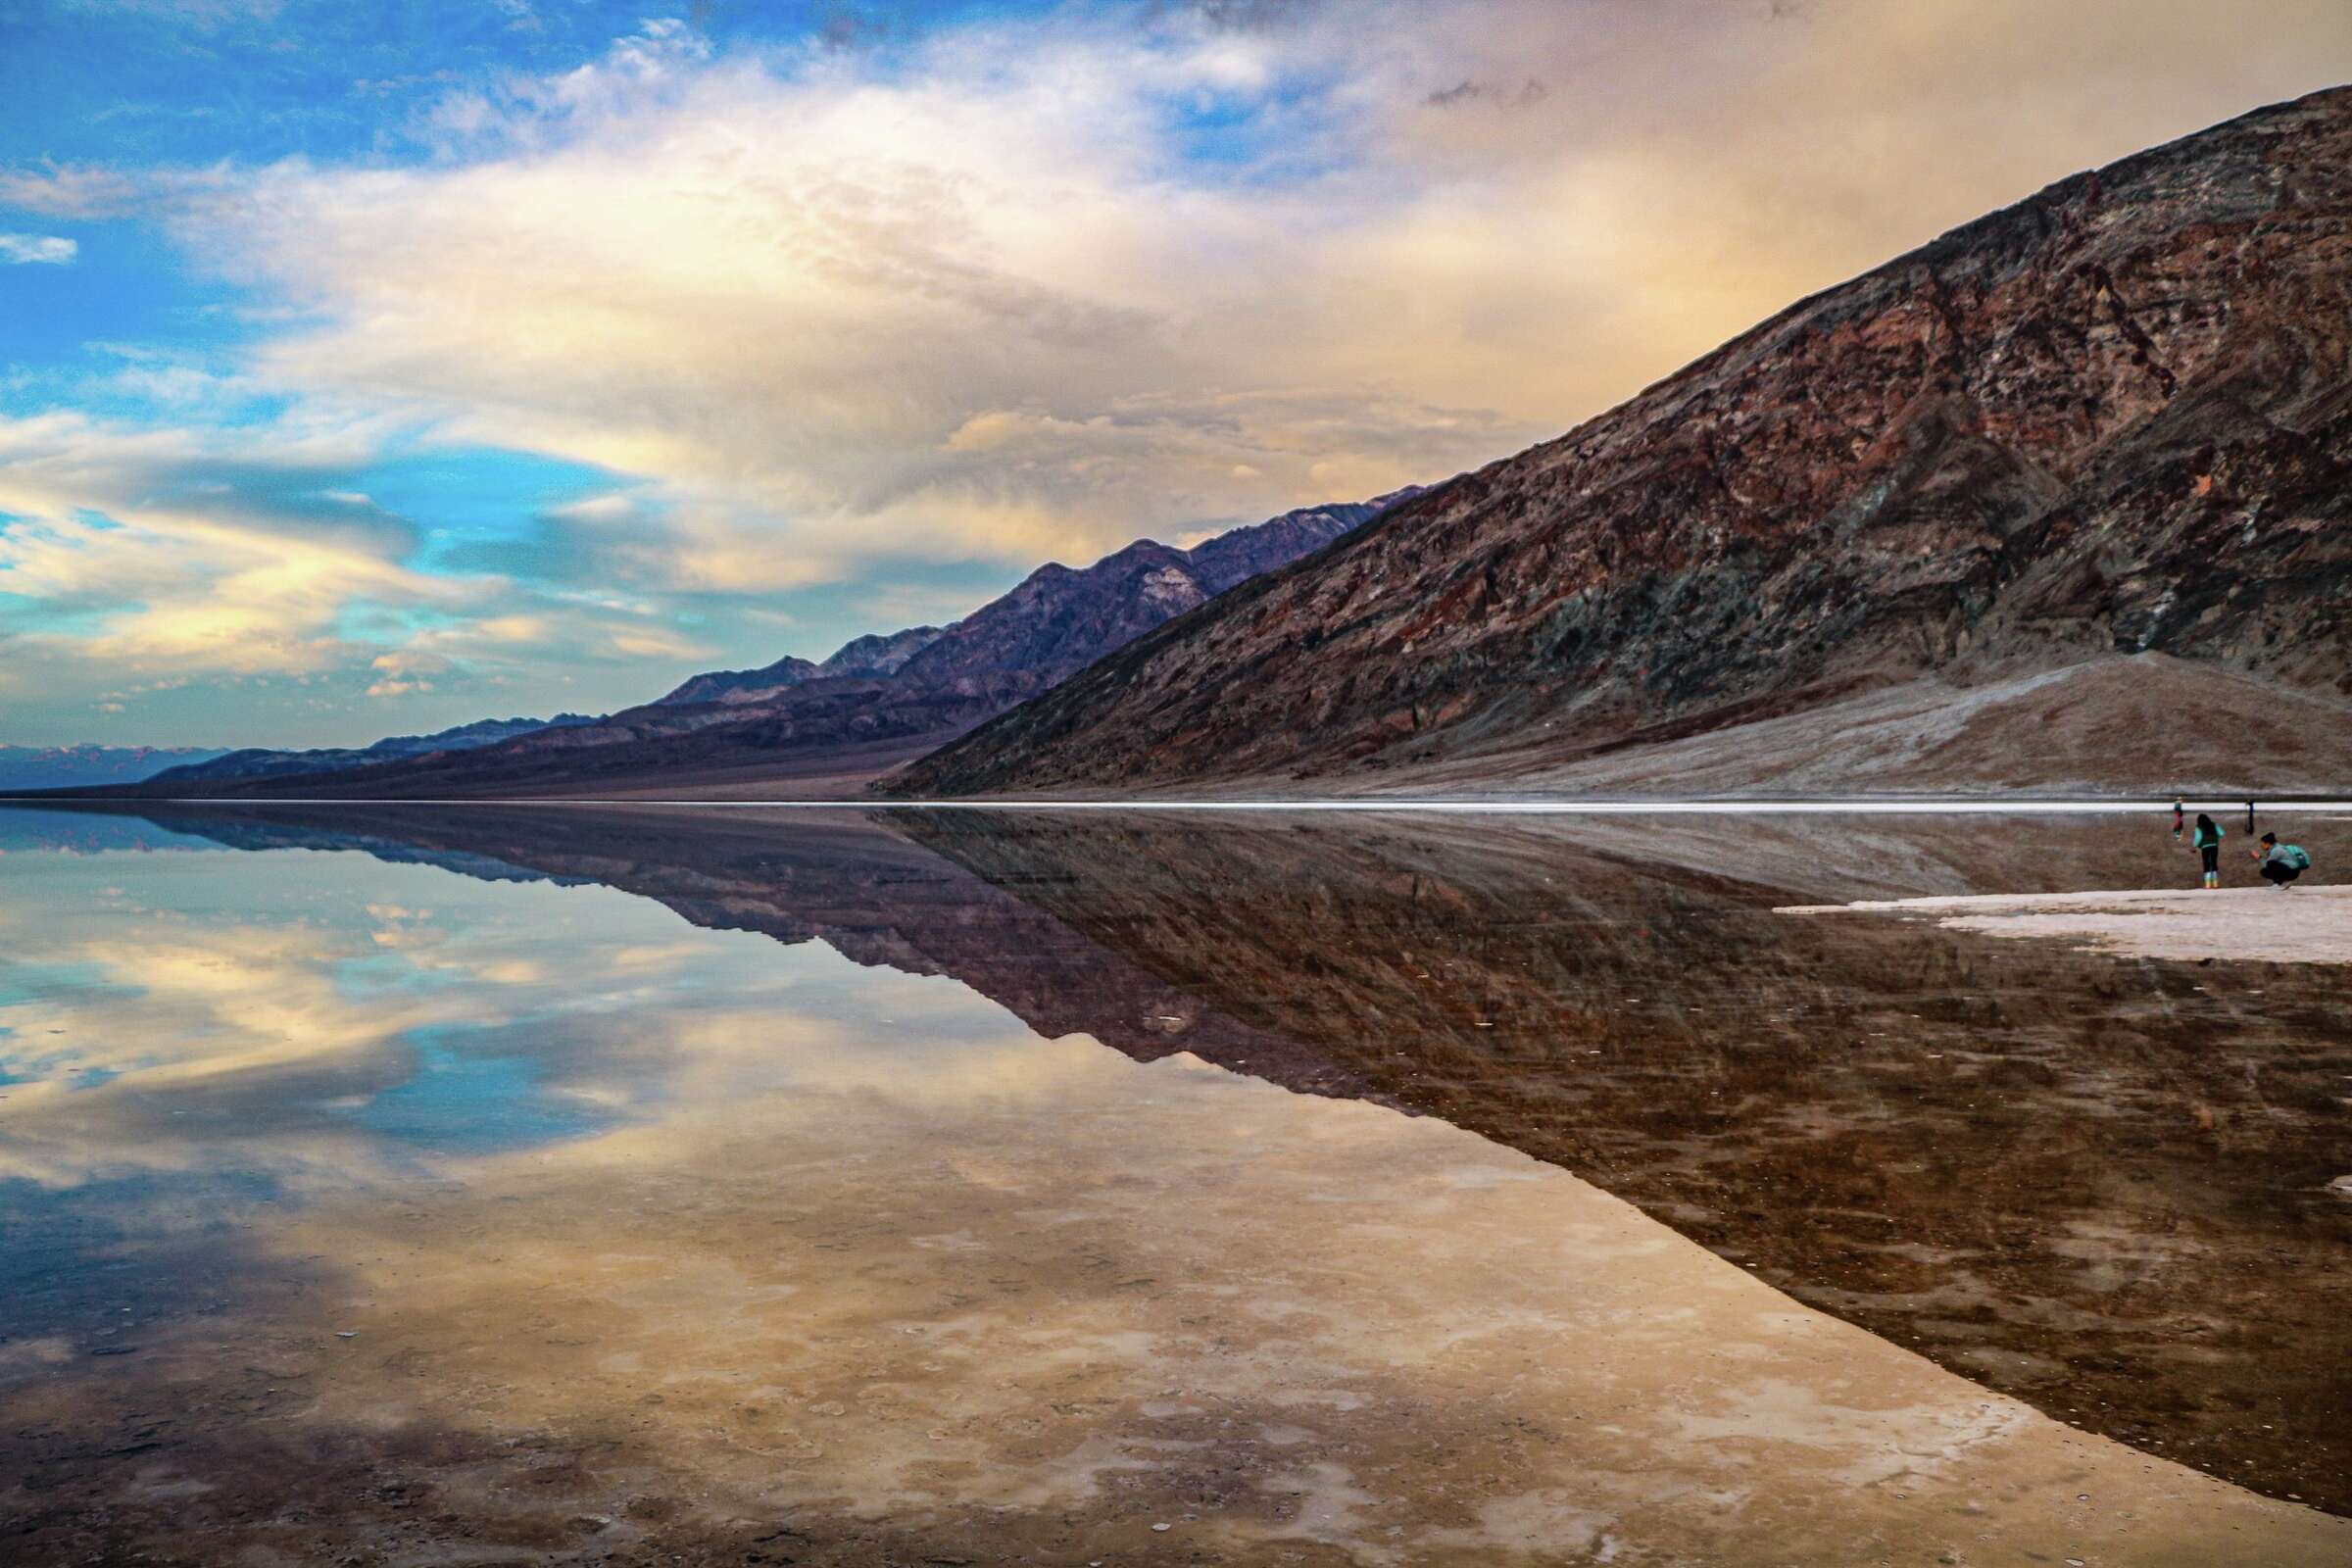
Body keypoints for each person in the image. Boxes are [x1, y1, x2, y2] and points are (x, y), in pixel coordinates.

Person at [2193, 812, 2224, 889]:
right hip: (2214, 846)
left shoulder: (2199, 827)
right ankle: (2215, 884)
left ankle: (2208, 885)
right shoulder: (2213, 825)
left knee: (2206, 864)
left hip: (2205, 847)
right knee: (2214, 863)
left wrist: (2194, 846)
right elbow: (2222, 833)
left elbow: (2198, 838)